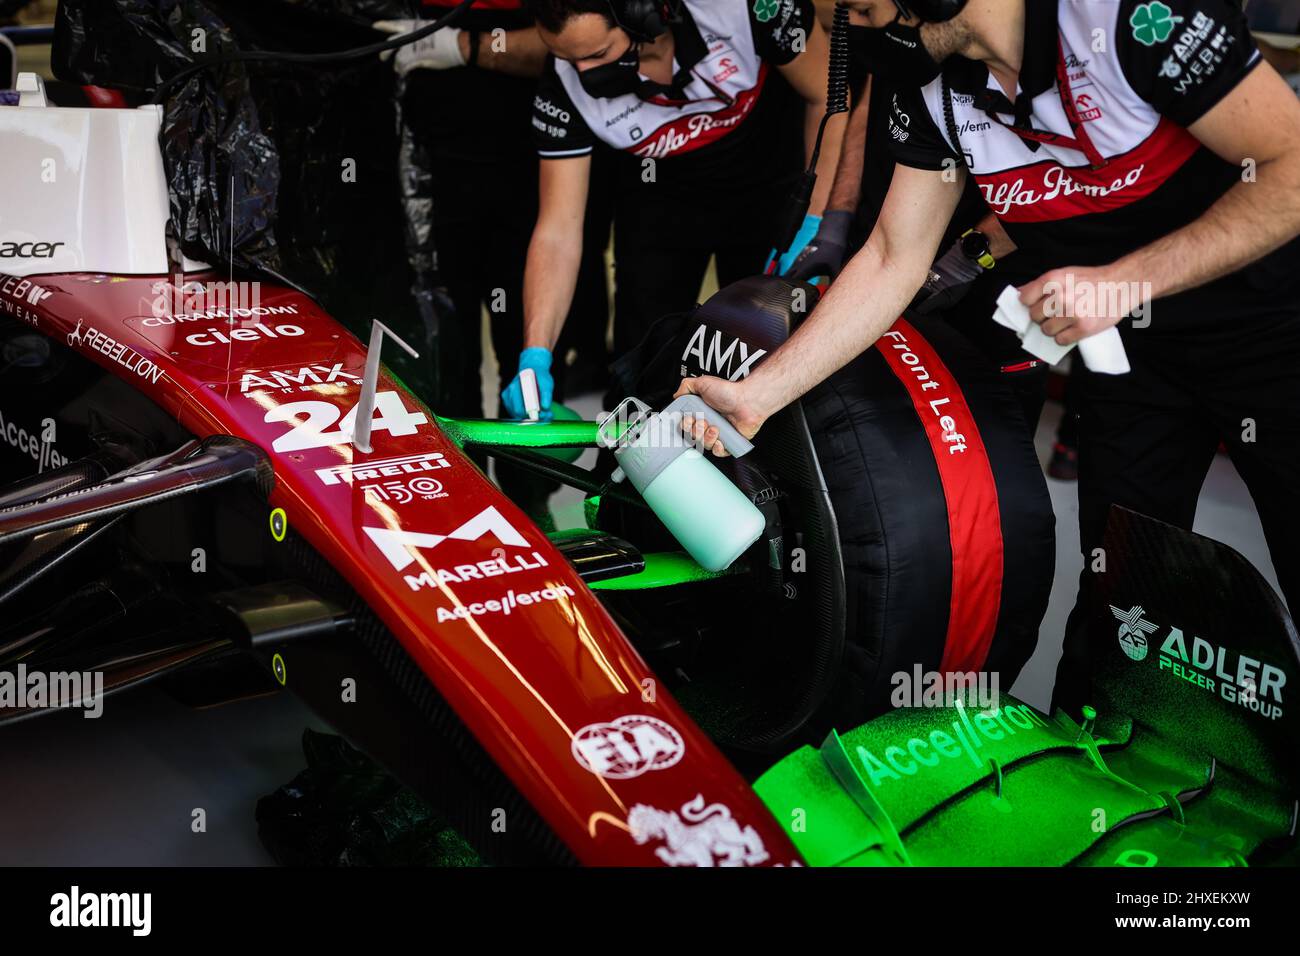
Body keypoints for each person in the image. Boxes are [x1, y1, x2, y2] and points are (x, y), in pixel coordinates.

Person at [673, 0, 1300, 712]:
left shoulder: (1132, 18)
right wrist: (756, 395)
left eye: (863, 9)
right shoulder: (930, 76)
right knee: (1124, 604)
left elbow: (1294, 164)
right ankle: (1107, 777)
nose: (862, 32)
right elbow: (891, 257)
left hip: (1275, 331)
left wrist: (1127, 282)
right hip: (1129, 359)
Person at [499, 0, 847, 419]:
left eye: (596, 54)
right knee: (638, 381)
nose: (583, 74)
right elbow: (558, 230)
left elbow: (828, 97)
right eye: (565, 58)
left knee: (767, 367)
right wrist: (536, 353)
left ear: (646, 14)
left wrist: (815, 221)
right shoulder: (563, 83)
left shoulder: (747, 8)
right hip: (658, 202)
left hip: (773, 191)